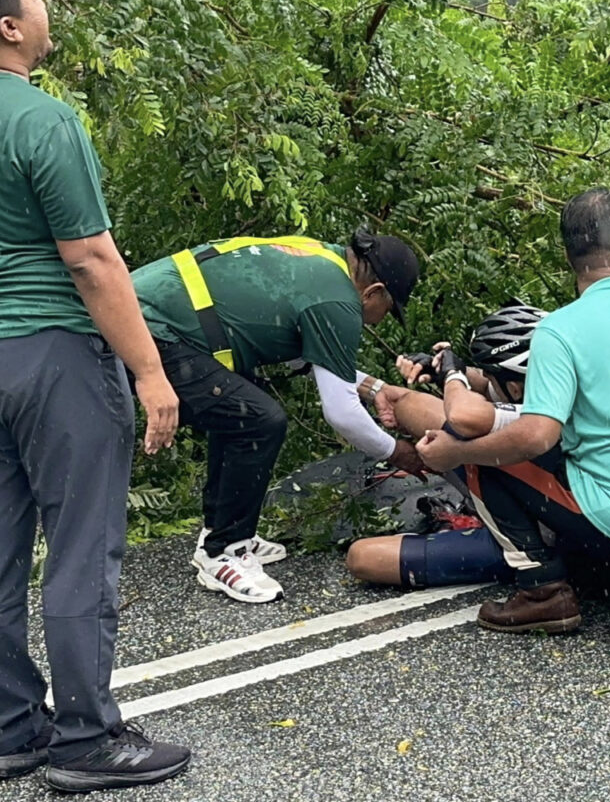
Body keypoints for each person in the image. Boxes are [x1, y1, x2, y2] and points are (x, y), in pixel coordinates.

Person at [0, 0, 190, 790]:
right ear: (9, 25)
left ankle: (12, 732)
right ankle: (89, 740)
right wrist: (150, 372)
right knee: (78, 549)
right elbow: (93, 262)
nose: (46, 1)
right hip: (52, 360)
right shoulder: (43, 120)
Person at [415, 189, 610, 635]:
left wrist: (452, 456)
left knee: (475, 448)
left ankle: (542, 591)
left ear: (568, 257)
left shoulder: (558, 329)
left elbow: (536, 434)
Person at [130, 231, 423, 603]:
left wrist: (375, 389)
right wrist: (396, 451)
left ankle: (222, 531)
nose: (380, 321)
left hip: (146, 314)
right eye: (389, 309)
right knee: (257, 419)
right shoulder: (338, 301)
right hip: (146, 328)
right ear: (374, 291)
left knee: (240, 406)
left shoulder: (321, 260)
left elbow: (311, 355)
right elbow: (342, 414)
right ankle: (224, 552)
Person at [344, 304, 552, 589]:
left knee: (362, 557)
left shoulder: (528, 422)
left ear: (514, 388)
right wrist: (445, 368)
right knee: (408, 403)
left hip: (534, 539)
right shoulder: (556, 399)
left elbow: (464, 416)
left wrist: (453, 374)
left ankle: (538, 573)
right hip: (560, 518)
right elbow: (488, 389)